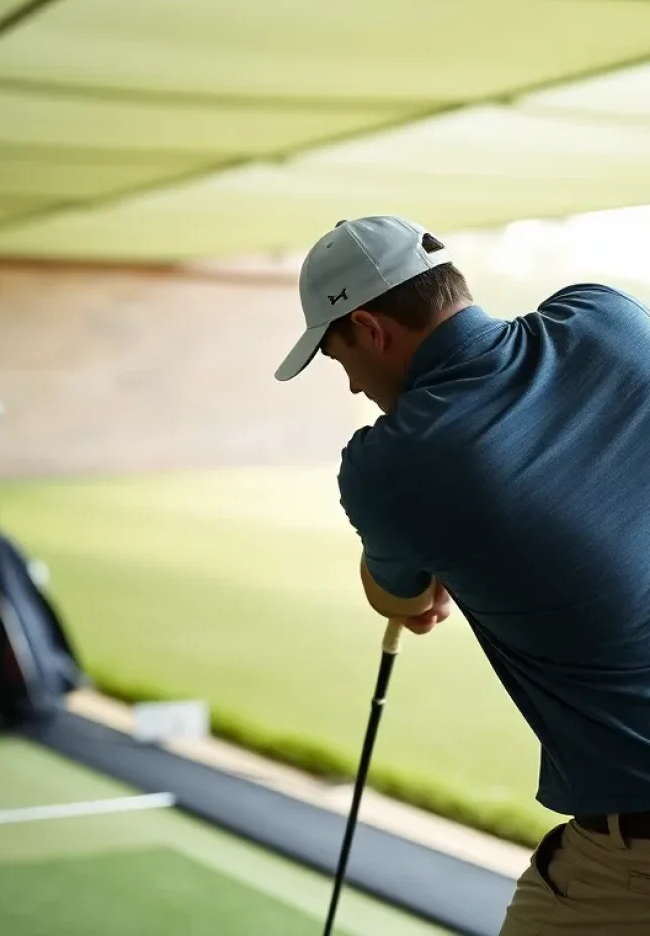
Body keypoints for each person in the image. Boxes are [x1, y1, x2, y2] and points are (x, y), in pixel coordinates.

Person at [274, 215, 650, 934]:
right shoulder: (609, 315)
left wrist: (432, 552)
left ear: (371, 328)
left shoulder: (392, 464)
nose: (352, 386)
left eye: (338, 356)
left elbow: (406, 598)